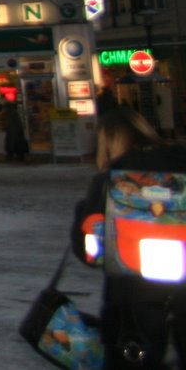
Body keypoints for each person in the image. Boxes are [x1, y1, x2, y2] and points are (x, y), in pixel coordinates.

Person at [70, 106, 186, 368]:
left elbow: (92, 253)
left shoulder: (110, 182)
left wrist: (82, 215)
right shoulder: (181, 165)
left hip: (133, 301)